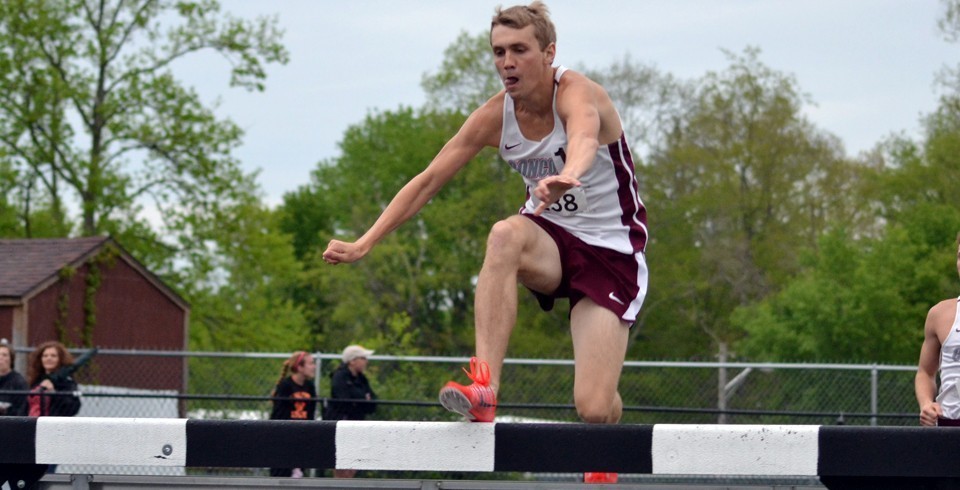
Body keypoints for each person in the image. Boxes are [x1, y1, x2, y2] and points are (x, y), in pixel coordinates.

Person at [322, 2, 646, 482]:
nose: (506, 62)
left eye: (519, 50)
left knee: (594, 408)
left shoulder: (578, 93)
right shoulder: (496, 116)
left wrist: (568, 175)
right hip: (550, 240)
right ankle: (484, 387)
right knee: (503, 235)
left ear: (548, 53)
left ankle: (606, 446)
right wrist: (366, 242)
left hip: (610, 250)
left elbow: (582, 136)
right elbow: (428, 180)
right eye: (498, 52)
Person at [916, 234, 960, 426]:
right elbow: (925, 372)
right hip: (949, 427)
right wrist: (926, 404)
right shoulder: (940, 314)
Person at [323, 345, 377, 479]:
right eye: (363, 358)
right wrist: (362, 398)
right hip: (342, 426)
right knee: (342, 464)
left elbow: (373, 403)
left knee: (354, 464)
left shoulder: (361, 379)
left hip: (357, 425)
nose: (366, 362)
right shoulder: (340, 376)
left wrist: (360, 400)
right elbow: (344, 400)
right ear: (352, 361)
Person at [269, 350, 318, 478]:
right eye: (311, 363)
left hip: (302, 434)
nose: (314, 367)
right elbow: (278, 414)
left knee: (299, 474)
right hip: (285, 435)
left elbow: (311, 412)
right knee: (281, 474)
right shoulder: (286, 386)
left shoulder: (310, 386)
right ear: (299, 367)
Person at [0, 342, 28, 416]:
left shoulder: (19, 381)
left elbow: (22, 409)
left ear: (11, 359)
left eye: (4, 355)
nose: (1, 357)